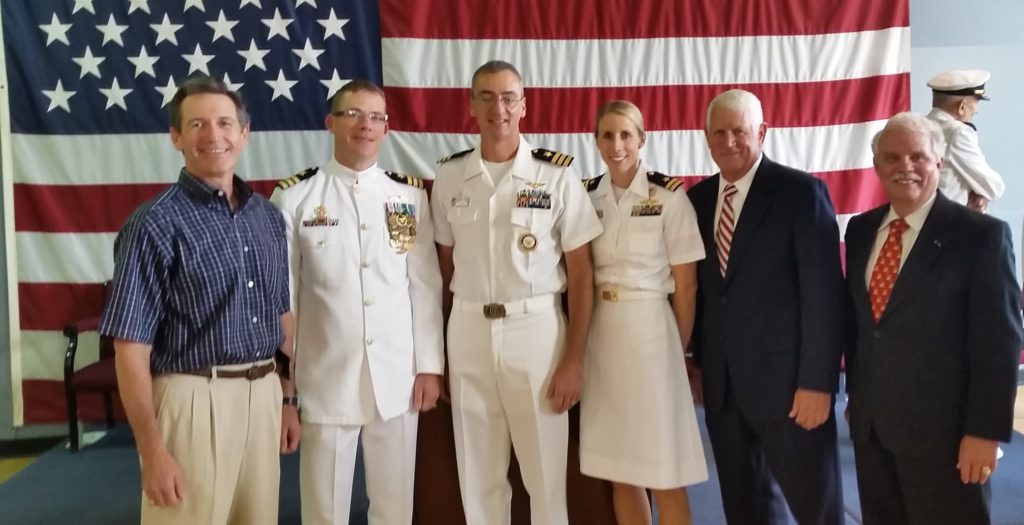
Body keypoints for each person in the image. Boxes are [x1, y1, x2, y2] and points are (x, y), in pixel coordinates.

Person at [99, 75, 295, 525]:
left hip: (262, 396)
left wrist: (288, 400)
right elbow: (130, 350)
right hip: (191, 400)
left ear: (244, 135)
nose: (214, 135)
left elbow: (282, 319)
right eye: (198, 124)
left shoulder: (266, 217)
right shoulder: (154, 224)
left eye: (225, 123)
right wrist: (151, 451)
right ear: (176, 137)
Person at [430, 60, 602, 525]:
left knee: (545, 475)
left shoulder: (556, 176)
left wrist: (574, 358)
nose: (498, 107)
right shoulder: (448, 177)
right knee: (478, 474)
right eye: (486, 96)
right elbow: (443, 270)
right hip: (466, 331)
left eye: (508, 97)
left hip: (537, 331)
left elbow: (582, 274)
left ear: (524, 106)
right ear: (471, 105)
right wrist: (440, 354)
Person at [270, 80, 444, 525]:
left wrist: (429, 366)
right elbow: (283, 300)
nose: (365, 125)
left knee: (395, 508)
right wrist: (287, 390)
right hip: (326, 377)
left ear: (386, 128)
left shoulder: (407, 197)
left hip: (397, 377)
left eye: (376, 117)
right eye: (353, 114)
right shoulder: (295, 197)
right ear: (331, 123)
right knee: (325, 511)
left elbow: (423, 286)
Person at [844, 112, 1023, 525]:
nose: (904, 167)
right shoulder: (860, 231)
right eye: (891, 157)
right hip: (873, 432)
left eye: (917, 156)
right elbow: (863, 328)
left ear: (938, 163)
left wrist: (985, 432)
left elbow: (999, 344)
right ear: (876, 166)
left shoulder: (980, 236)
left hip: (948, 436)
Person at [687, 89, 845, 524]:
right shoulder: (697, 202)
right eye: (719, 132)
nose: (729, 141)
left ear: (762, 132)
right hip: (723, 388)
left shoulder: (800, 193)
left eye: (740, 130)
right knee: (745, 508)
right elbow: (704, 293)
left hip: (792, 390)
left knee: (816, 508)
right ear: (706, 137)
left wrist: (818, 383)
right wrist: (698, 362)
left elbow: (824, 297)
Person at [579, 100, 708, 525]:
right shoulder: (586, 196)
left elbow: (686, 287)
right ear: (595, 140)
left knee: (663, 470)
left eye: (625, 135)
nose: (616, 145)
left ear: (642, 139)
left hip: (653, 336)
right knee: (621, 471)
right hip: (602, 336)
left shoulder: (669, 197)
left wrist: (678, 349)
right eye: (607, 135)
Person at [926, 69, 1005, 212]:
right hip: (949, 223)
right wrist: (980, 192)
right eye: (975, 104)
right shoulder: (957, 132)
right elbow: (993, 187)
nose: (976, 111)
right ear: (962, 106)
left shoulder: (920, 126)